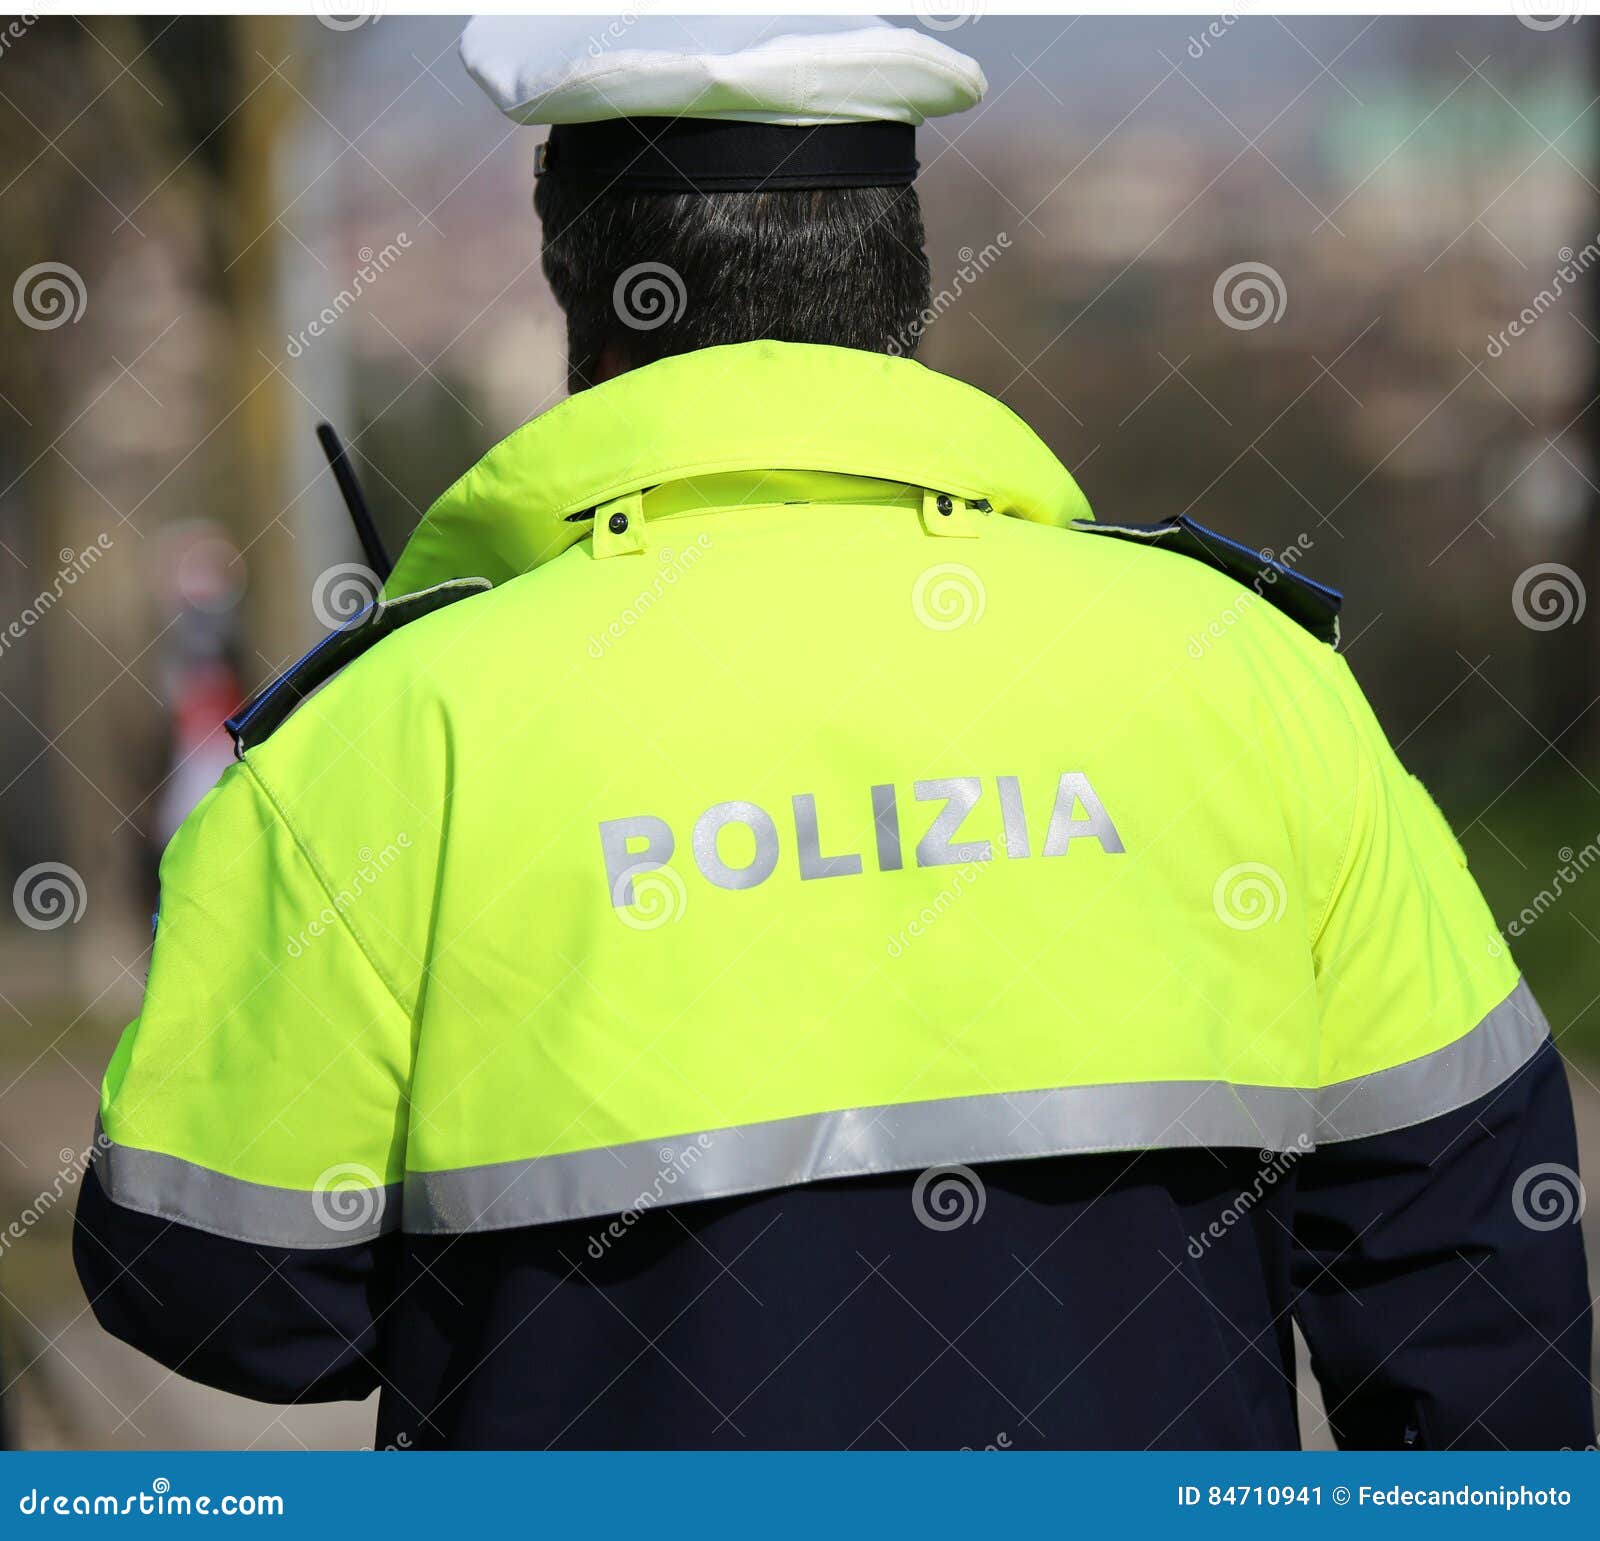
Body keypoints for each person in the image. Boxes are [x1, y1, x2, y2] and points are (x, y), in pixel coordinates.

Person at [74, 15, 1593, 1451]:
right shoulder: (1242, 675)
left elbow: (222, 1289)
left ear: (571, 268)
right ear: (903, 272)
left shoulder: (389, 739)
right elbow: (1475, 1274)